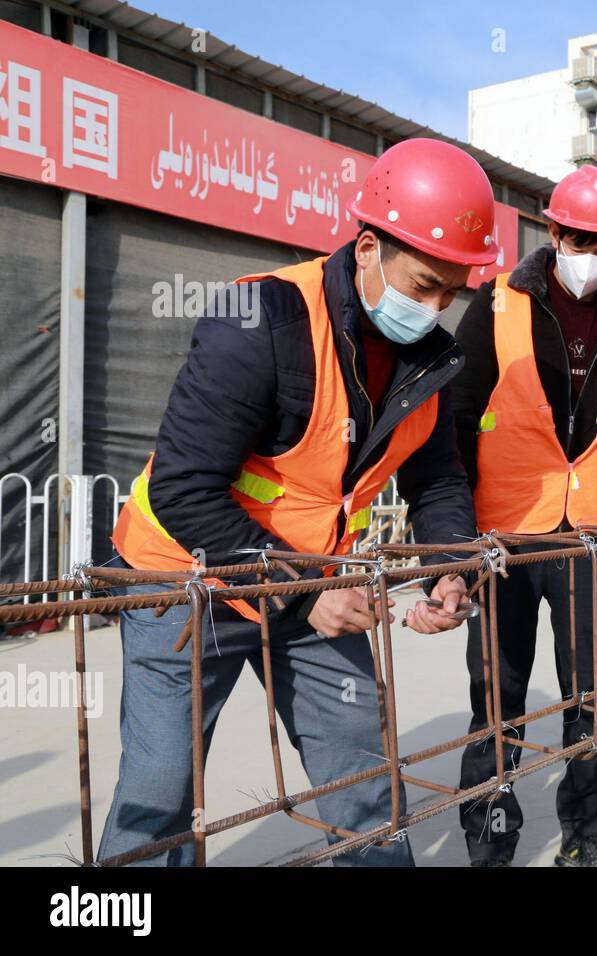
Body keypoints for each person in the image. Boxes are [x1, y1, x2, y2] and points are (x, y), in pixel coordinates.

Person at [101, 138, 495, 865]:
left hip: (311, 582)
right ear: (369, 246)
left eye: (451, 292)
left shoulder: (431, 362)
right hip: (184, 583)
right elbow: (182, 487)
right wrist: (304, 589)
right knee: (157, 793)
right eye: (424, 284)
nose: (436, 307)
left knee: (363, 771)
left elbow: (436, 480)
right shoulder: (262, 320)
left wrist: (449, 568)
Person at [451, 166, 597, 866]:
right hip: (506, 532)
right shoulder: (496, 305)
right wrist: (454, 530)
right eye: (583, 238)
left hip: (593, 532)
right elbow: (458, 415)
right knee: (498, 691)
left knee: (590, 694)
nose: (594, 255)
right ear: (554, 231)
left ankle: (585, 835)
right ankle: (491, 839)